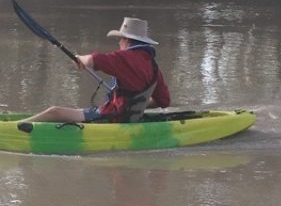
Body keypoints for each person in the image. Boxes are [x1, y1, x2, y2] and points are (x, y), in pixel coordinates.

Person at [22, 16, 171, 125]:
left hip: (112, 116)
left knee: (54, 112)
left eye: (121, 39)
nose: (119, 43)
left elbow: (96, 59)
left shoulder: (124, 58)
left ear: (127, 40)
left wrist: (80, 58)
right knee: (70, 112)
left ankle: (15, 127)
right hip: (126, 117)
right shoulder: (153, 66)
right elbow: (164, 101)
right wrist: (134, 106)